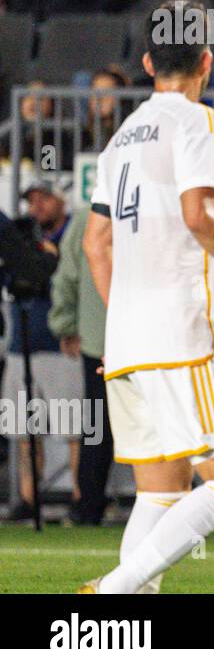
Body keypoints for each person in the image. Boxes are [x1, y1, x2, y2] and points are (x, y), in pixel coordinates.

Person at [78, 0, 214, 594]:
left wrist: (124, 322)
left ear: (146, 62)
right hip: (176, 335)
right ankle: (113, 590)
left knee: (161, 492)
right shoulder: (198, 121)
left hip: (127, 339)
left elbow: (94, 244)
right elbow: (199, 214)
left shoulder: (119, 140)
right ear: (207, 63)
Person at [1, 183, 76, 522]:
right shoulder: (18, 235)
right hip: (21, 345)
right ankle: (29, 499)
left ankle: (81, 497)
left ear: (61, 199)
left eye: (44, 198)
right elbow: (13, 278)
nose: (37, 207)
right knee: (24, 431)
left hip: (61, 345)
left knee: (74, 429)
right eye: (32, 201)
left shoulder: (76, 233)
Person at [47, 202, 111, 526]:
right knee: (154, 426)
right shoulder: (161, 209)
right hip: (151, 341)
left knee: (97, 428)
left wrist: (66, 323)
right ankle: (162, 507)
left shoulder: (88, 216)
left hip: (100, 340)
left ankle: (89, 508)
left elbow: (67, 275)